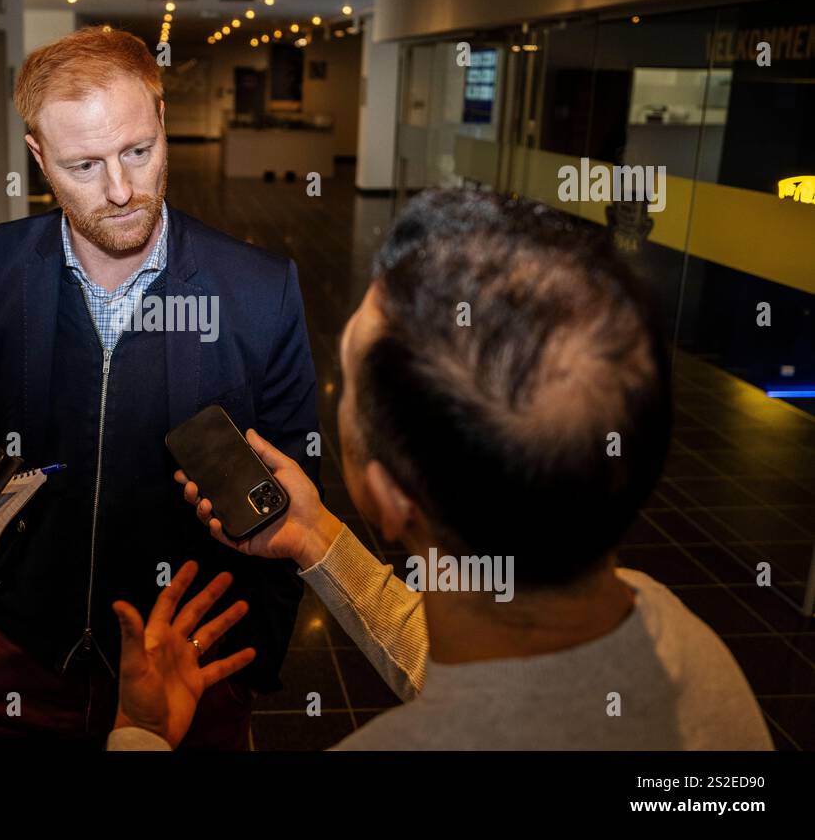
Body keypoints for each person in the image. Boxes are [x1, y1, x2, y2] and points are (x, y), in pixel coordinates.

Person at [108, 189, 772, 750]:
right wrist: (316, 539)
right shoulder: (686, 642)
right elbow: (455, 666)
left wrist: (139, 733)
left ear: (387, 494)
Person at [0, 27, 319, 749]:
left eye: (138, 151)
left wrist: (251, 663)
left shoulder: (260, 291)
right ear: (38, 156)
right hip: (15, 661)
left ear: (164, 124)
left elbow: (296, 491)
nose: (120, 191)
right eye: (84, 164)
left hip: (189, 672)